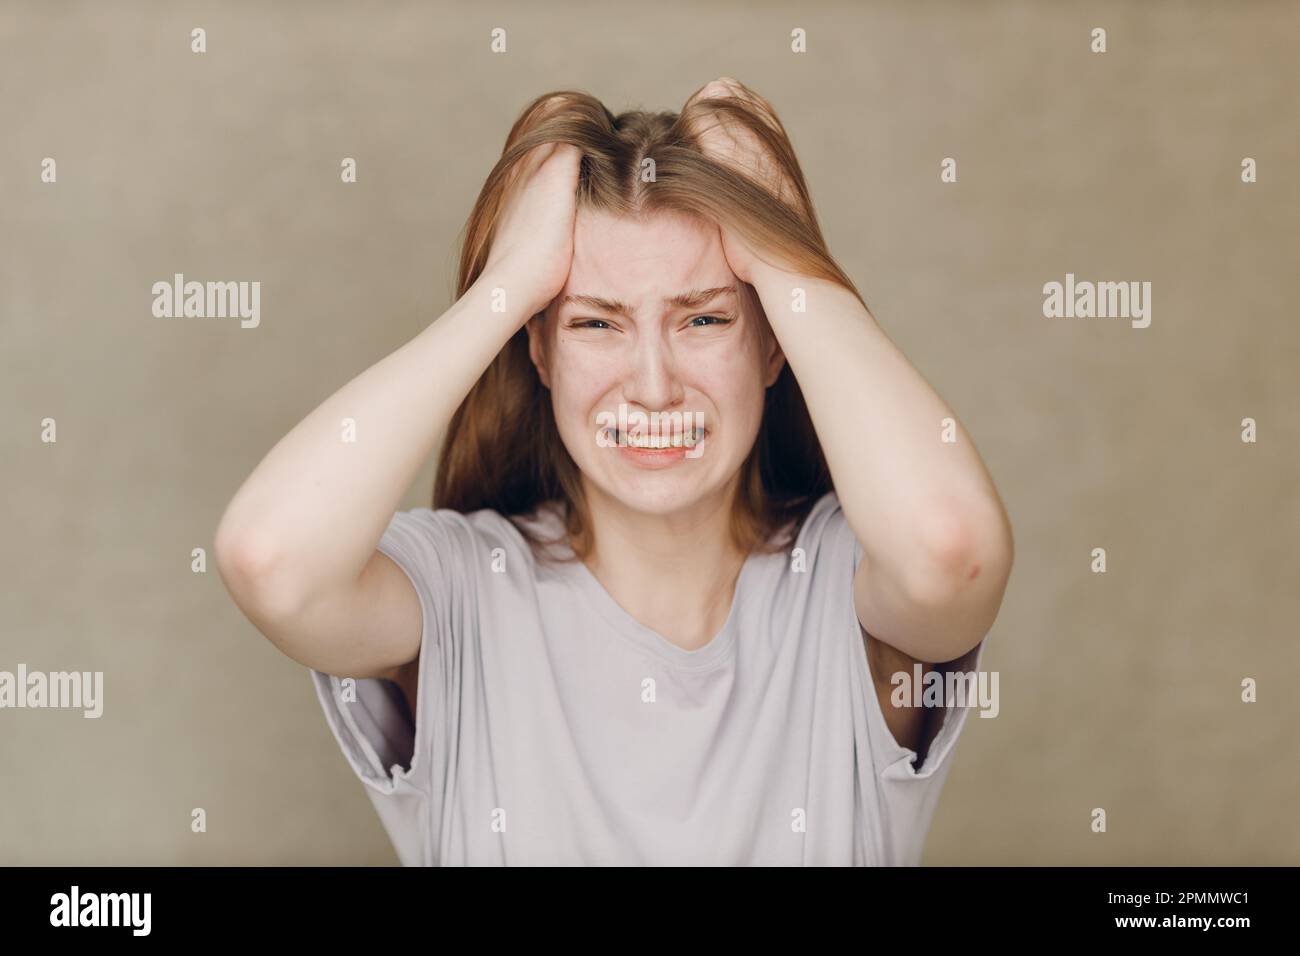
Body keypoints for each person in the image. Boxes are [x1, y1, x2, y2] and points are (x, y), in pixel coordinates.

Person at [214, 77, 1014, 865]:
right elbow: (272, 561)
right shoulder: (462, 587)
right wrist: (508, 286)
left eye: (703, 317)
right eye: (596, 322)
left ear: (775, 342)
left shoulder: (845, 586)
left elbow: (951, 549)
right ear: (540, 350)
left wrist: (781, 251)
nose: (654, 383)